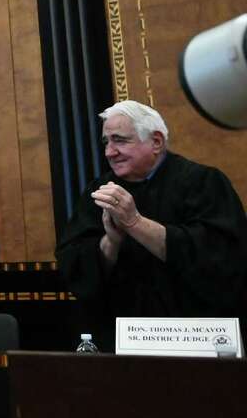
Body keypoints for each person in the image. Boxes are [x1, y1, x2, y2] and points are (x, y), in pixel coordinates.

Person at [57, 101, 247, 346]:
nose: (109, 152)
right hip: (119, 340)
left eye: (120, 140)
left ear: (156, 142)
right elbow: (75, 265)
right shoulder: (99, 191)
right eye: (106, 142)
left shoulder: (203, 183)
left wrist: (135, 222)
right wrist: (111, 243)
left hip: (195, 337)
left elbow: (221, 259)